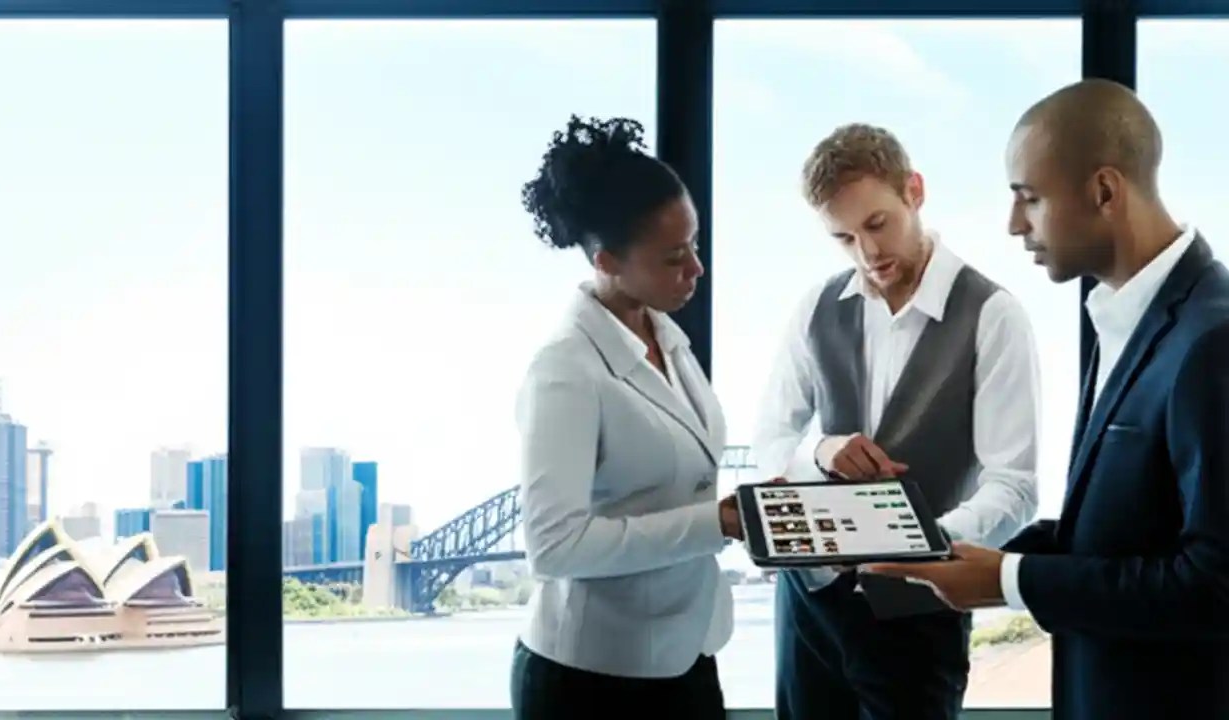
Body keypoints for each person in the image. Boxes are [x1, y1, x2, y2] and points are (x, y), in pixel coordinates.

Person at [864, 79, 1229, 720]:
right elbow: (1131, 531)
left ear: (1105, 191)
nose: (1012, 225)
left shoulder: (1213, 338)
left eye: (1029, 199)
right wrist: (987, 556)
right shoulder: (1122, 317)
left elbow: (1215, 583)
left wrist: (1009, 581)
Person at [753, 123, 1041, 720]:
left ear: (914, 191)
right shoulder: (815, 309)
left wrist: (921, 548)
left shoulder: (994, 316)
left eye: (877, 224)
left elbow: (1014, 486)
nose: (868, 253)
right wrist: (821, 452)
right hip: (808, 604)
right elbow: (771, 440)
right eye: (844, 237)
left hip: (920, 616)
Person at [509, 114, 741, 719]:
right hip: (593, 679)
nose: (696, 268)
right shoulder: (565, 369)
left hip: (685, 654)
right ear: (607, 259)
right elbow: (555, 547)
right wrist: (714, 521)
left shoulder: (668, 339)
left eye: (695, 244)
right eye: (673, 257)